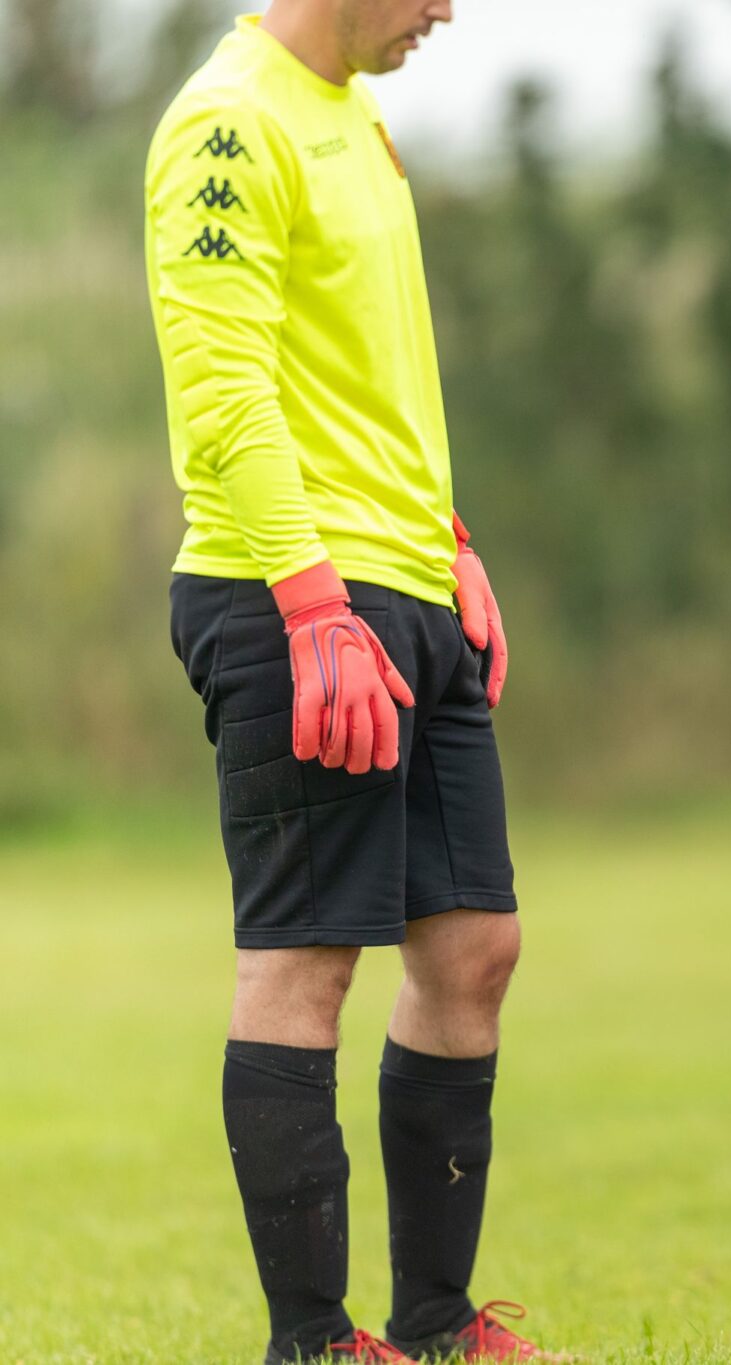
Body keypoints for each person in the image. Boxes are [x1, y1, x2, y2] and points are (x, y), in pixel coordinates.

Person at [146, 3, 556, 1360]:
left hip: (406, 582)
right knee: (306, 962)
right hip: (294, 594)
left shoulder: (357, 117)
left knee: (473, 949)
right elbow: (224, 389)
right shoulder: (227, 124)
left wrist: (449, 540)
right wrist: (313, 604)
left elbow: (372, 375)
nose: (447, 9)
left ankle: (434, 1324)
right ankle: (315, 1342)